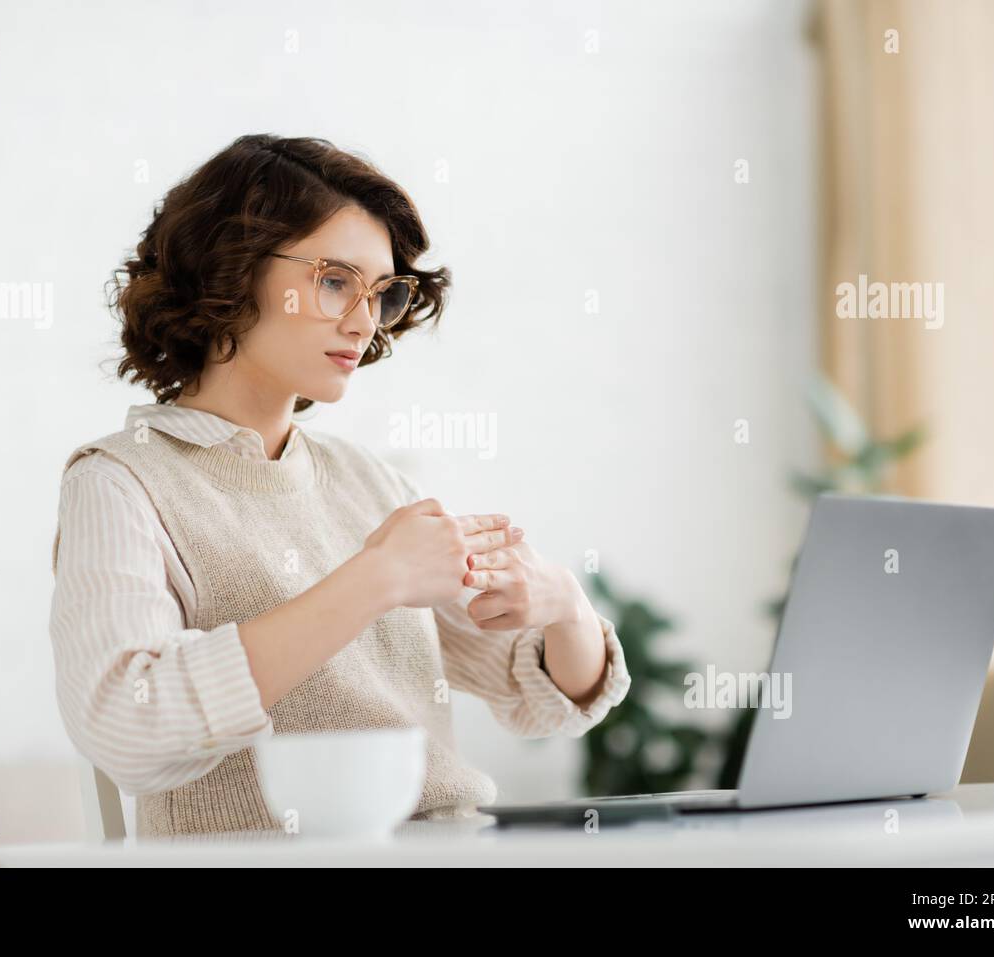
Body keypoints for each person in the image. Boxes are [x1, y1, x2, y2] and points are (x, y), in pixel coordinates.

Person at [48, 134, 631, 836]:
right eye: (334, 281)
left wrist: (564, 604)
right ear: (230, 268)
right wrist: (373, 581)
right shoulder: (121, 482)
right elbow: (127, 722)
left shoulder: (370, 482)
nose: (364, 322)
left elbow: (537, 693)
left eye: (380, 294)